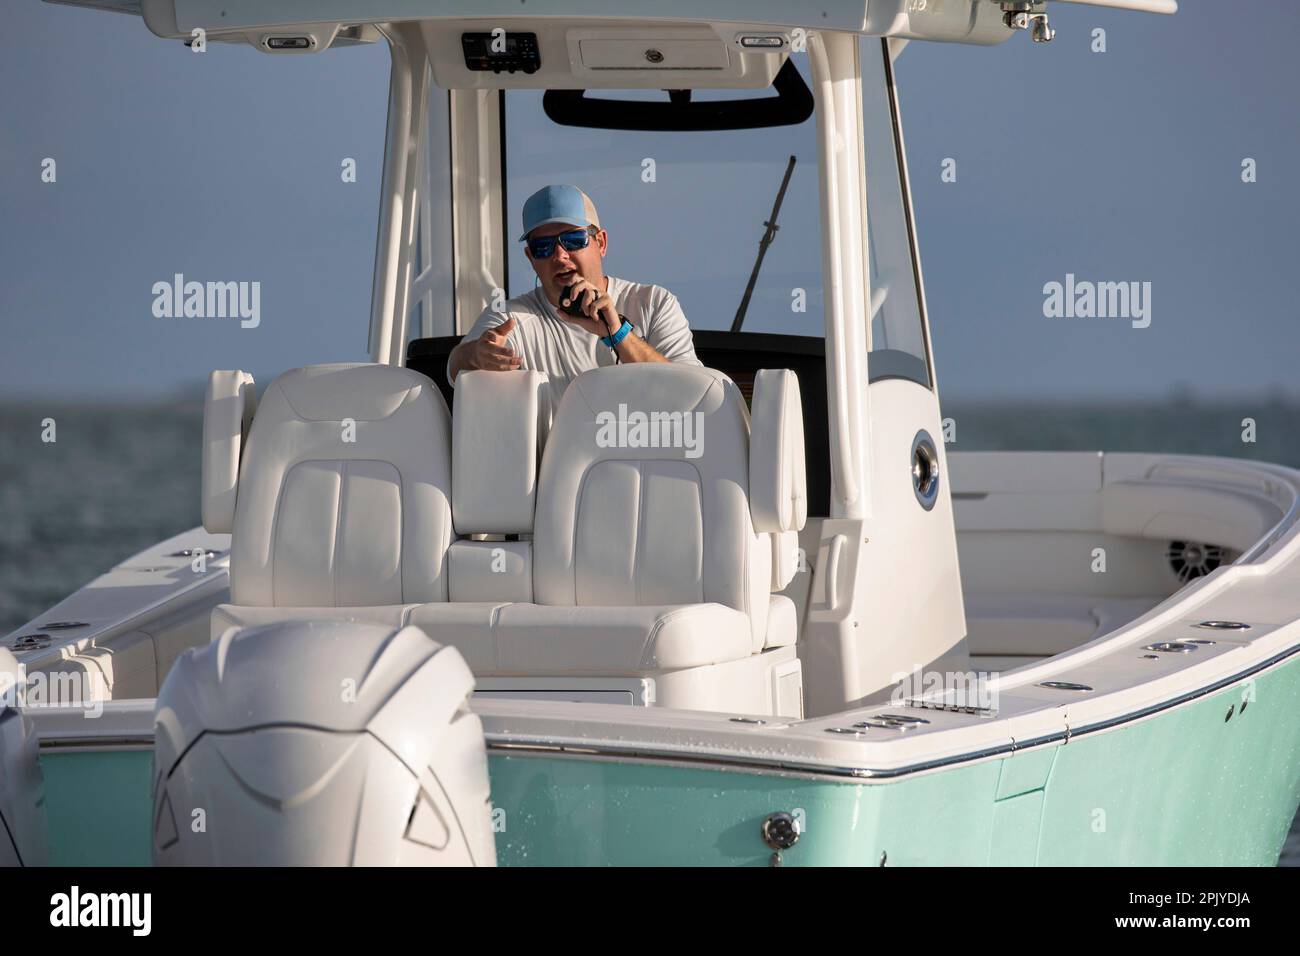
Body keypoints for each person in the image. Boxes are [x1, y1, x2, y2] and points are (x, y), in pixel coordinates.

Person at [447, 185, 700, 406]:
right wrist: (474, 355)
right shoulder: (511, 318)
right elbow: (455, 369)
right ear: (531, 258)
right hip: (557, 462)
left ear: (601, 243)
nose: (559, 255)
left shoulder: (654, 303)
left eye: (573, 239)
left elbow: (690, 395)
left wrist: (617, 333)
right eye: (543, 247)